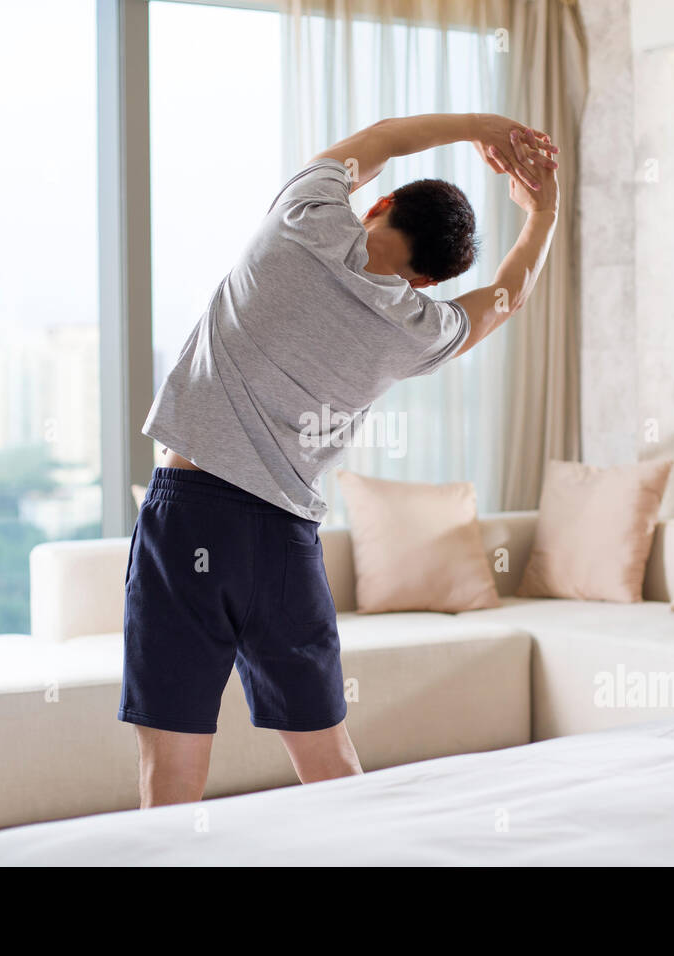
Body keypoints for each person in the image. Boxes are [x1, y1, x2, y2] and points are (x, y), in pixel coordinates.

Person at [120, 112, 560, 807]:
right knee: (329, 763)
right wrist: (543, 212)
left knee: (171, 771)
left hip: (191, 516)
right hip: (283, 544)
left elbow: (382, 139)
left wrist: (482, 127)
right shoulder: (417, 328)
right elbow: (506, 299)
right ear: (426, 281)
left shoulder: (303, 218)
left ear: (380, 203)